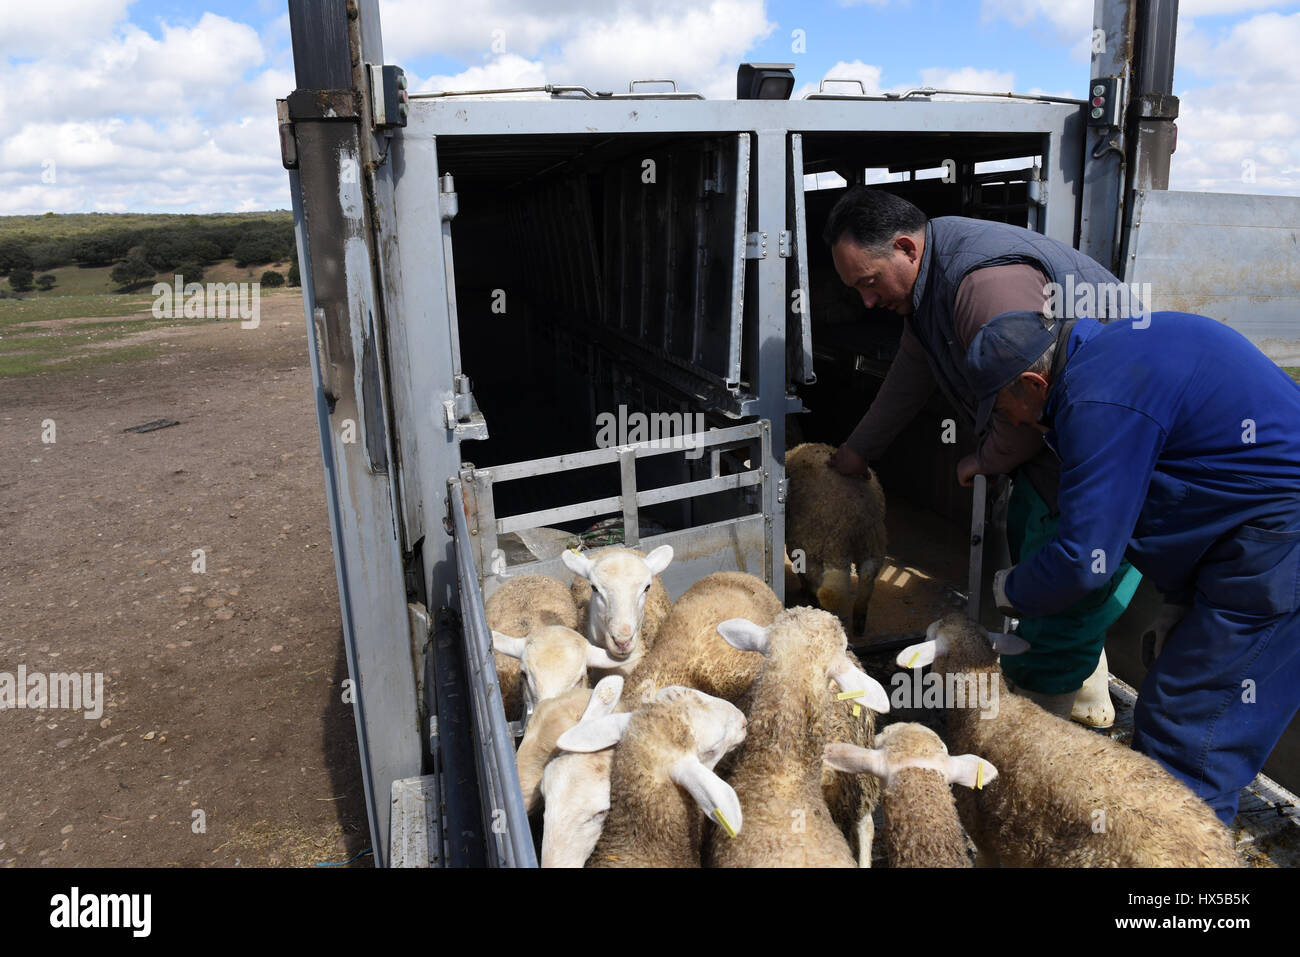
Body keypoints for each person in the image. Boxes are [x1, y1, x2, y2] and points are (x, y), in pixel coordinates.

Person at [822, 187, 1141, 722]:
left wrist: (985, 459)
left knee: (1062, 587)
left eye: (870, 283)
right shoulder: (931, 286)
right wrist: (858, 451)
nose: (867, 302)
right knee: (1057, 572)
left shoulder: (986, 285)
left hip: (1094, 447)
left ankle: (1043, 735)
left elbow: (1026, 398)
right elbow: (910, 376)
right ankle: (1089, 706)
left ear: (906, 248)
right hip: (1061, 445)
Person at [968, 309, 1300, 822]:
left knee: (1186, 733)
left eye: (1003, 407)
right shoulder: (1113, 350)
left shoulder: (1097, 397)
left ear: (1035, 383)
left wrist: (1012, 588)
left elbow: (1084, 560)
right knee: (1177, 708)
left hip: (1278, 547)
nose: (1008, 422)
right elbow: (1206, 480)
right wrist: (1180, 600)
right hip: (1252, 535)